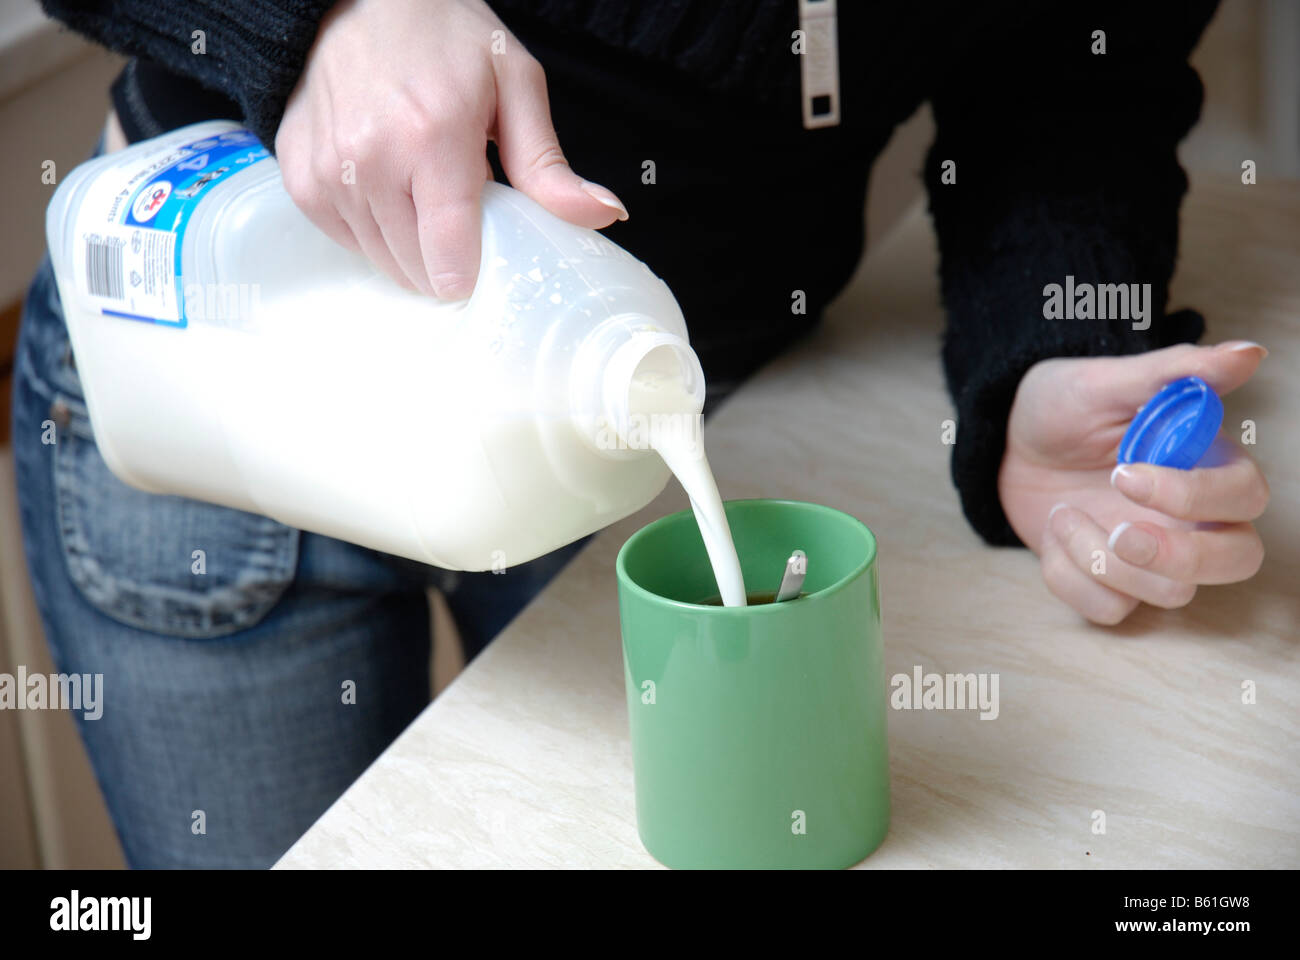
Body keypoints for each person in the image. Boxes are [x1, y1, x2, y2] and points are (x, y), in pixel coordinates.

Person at [17, 0, 1267, 867]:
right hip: (212, 369)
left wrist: (1037, 347)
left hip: (616, 434)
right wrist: (333, 11)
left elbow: (1076, 68)